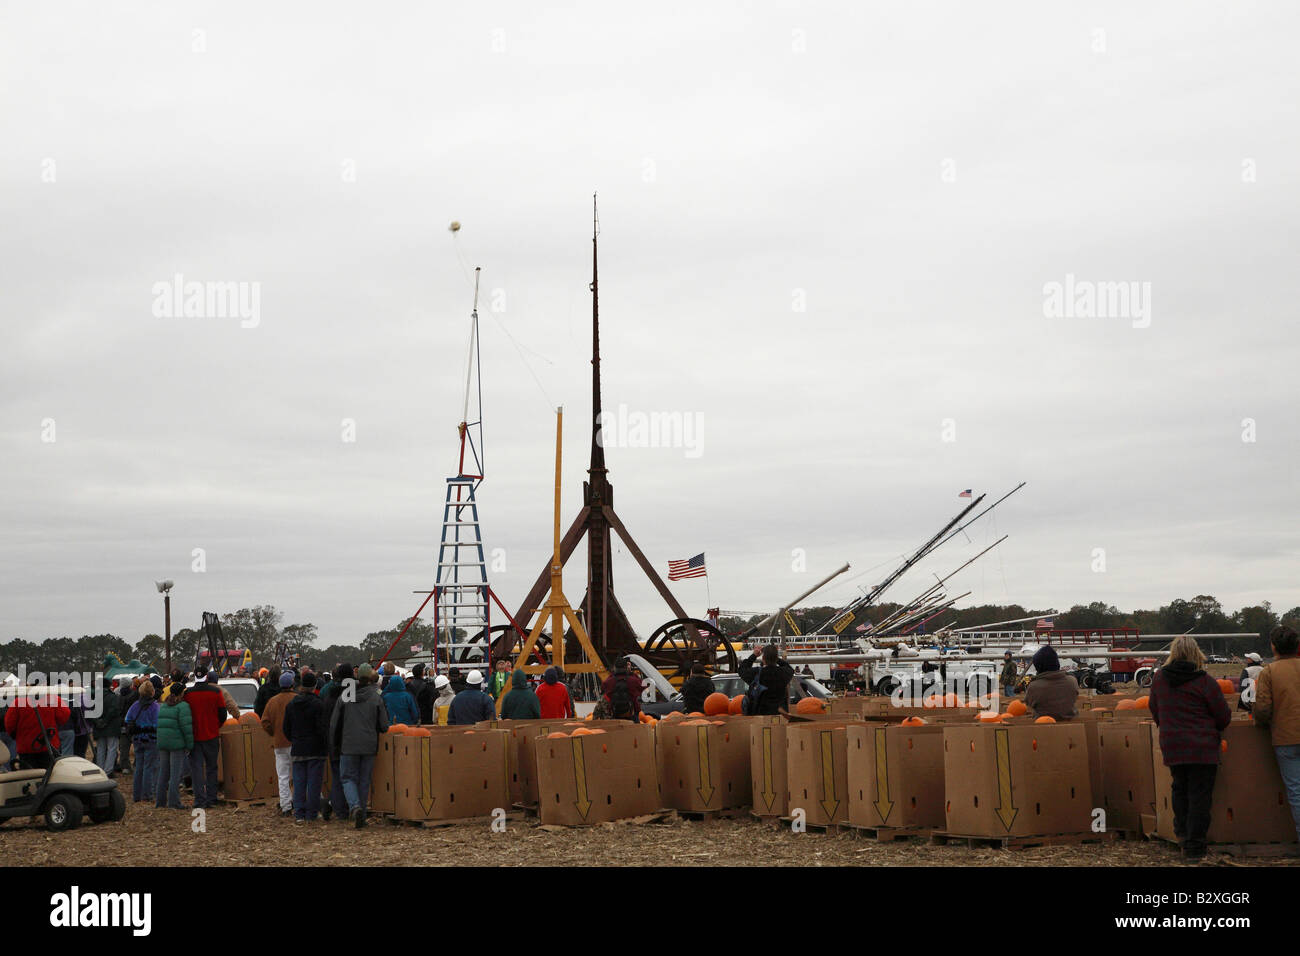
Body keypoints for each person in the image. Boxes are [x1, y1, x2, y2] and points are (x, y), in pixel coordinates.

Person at [1147, 634, 1231, 859]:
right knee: (1199, 796)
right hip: (1202, 747)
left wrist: (1168, 727)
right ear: (1197, 654)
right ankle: (1195, 846)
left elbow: (1154, 709)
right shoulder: (1205, 682)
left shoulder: (1160, 680)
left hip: (1173, 744)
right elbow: (1223, 716)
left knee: (1180, 789)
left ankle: (1182, 835)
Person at [1252, 625, 1300, 840]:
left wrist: (1262, 722)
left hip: (1286, 737)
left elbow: (1262, 709)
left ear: (1273, 647)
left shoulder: (1269, 672)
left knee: (1296, 792)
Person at [329, 663, 389, 828]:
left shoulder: (346, 696)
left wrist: (333, 743)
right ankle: (360, 811)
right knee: (364, 780)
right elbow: (384, 726)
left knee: (348, 778)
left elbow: (334, 723)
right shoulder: (377, 697)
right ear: (371, 678)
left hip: (348, 745)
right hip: (369, 745)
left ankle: (355, 807)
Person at [185, 670, 240, 810]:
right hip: (211, 735)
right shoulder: (216, 693)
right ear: (207, 677)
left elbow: (185, 714)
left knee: (196, 768)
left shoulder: (188, 694)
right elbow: (222, 713)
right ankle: (211, 798)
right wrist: (216, 726)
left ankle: (199, 800)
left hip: (195, 736)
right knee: (211, 768)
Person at [282, 671, 327, 824]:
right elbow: (322, 728)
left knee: (299, 781)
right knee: (314, 782)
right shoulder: (319, 704)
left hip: (298, 747)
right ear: (315, 686)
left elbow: (286, 728)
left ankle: (299, 813)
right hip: (316, 749)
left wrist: (294, 739)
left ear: (301, 685)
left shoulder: (292, 705)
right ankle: (312, 812)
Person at [4, 684, 71, 770]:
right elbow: (64, 716)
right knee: (50, 775)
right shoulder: (52, 699)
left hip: (26, 747)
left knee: (30, 777)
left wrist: (15, 736)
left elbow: (9, 724)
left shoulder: (19, 701)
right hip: (49, 745)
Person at [320, 662, 354, 822]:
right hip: (346, 741)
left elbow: (326, 721)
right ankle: (341, 808)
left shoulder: (328, 696)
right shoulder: (350, 695)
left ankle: (334, 805)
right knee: (347, 776)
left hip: (333, 742)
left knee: (338, 776)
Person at [261, 671, 297, 817]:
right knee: (298, 774)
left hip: (279, 743)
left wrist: (273, 733)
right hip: (296, 742)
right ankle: (298, 801)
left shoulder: (273, 701)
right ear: (292, 684)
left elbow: (265, 721)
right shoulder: (296, 699)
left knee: (282, 776)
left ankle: (286, 806)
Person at [154, 680, 193, 809]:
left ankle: (160, 802)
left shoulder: (164, 705)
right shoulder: (183, 707)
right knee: (176, 774)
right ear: (181, 693)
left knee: (163, 773)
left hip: (163, 743)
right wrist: (189, 745)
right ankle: (174, 802)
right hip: (176, 744)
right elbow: (186, 728)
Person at [124, 681, 159, 803]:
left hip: (137, 739)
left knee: (139, 766)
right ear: (152, 692)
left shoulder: (135, 705)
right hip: (151, 740)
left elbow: (127, 719)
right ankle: (147, 794)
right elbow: (157, 723)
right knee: (149, 767)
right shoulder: (155, 707)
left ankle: (137, 795)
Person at [1023, 646, 1078, 721]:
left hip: (1043, 726)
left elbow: (1028, 705)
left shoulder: (1034, 686)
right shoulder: (1072, 682)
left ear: (1039, 667)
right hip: (1071, 726)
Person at [738, 645, 795, 716]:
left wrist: (754, 655)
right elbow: (789, 668)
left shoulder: (757, 673)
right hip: (780, 716)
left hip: (759, 716)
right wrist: (774, 657)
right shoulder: (783, 673)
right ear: (776, 658)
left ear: (763, 658)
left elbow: (742, 670)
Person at [89, 674, 124, 776]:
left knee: (100, 749)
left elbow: (90, 711)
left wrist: (97, 721)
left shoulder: (93, 696)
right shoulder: (113, 697)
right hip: (111, 727)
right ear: (109, 686)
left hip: (99, 727)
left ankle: (100, 769)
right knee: (112, 749)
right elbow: (114, 710)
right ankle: (107, 771)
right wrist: (105, 721)